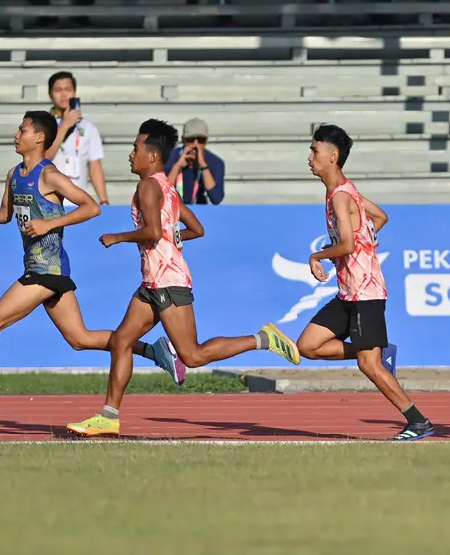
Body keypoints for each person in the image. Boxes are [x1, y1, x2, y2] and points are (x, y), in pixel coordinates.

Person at [0, 112, 184, 417]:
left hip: (47, 271)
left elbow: (91, 207)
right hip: (43, 270)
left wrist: (49, 224)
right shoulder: (14, 174)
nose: (17, 135)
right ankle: (154, 351)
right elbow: (7, 213)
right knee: (80, 339)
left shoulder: (49, 175)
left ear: (39, 137)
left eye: (23, 130)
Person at [66, 119, 300, 437]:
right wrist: (168, 242)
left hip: (167, 283)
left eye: (135, 148)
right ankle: (109, 415)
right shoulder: (167, 187)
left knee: (193, 355)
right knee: (121, 341)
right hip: (153, 282)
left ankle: (263, 339)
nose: (130, 154)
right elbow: (195, 229)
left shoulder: (148, 186)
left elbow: (152, 231)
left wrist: (118, 237)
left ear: (152, 155)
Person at [294, 124, 433, 441]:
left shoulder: (341, 197)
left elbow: (347, 245)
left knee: (368, 366)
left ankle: (418, 422)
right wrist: (366, 238)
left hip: (365, 293)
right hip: (348, 293)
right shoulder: (343, 190)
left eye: (315, 151)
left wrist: (317, 256)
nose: (310, 157)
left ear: (333, 155)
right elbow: (380, 217)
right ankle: (376, 352)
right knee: (308, 346)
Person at [44, 71, 109, 206]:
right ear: (50, 94)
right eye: (58, 90)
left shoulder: (88, 127)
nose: (63, 94)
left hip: (78, 202)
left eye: (68, 89)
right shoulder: (44, 125)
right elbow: (43, 159)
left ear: (75, 92)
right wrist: (64, 126)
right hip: (49, 200)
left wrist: (103, 200)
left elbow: (95, 165)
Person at [164, 118, 225, 205]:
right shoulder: (168, 158)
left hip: (199, 211)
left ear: (206, 141)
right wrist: (177, 166)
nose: (195, 145)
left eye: (201, 140)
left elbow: (216, 198)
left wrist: (203, 165)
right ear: (183, 140)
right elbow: (162, 194)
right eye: (191, 140)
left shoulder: (216, 163)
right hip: (173, 210)